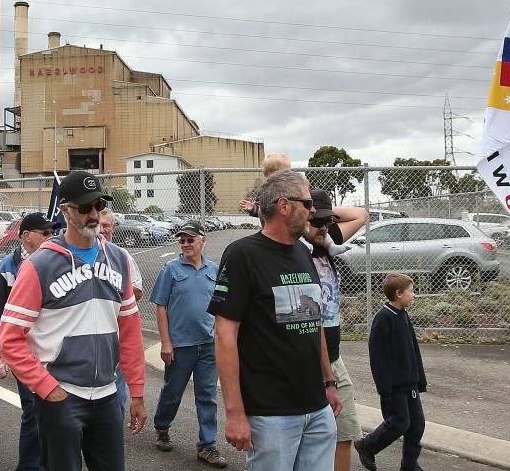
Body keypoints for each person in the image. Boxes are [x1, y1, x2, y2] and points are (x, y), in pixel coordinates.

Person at [0, 171, 147, 471]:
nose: (94, 214)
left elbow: (130, 332)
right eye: (85, 207)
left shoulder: (119, 259)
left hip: (107, 395)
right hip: (61, 395)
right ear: (65, 210)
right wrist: (45, 386)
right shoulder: (39, 265)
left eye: (99, 205)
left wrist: (137, 392)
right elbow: (8, 339)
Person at [209, 170, 342, 471]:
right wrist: (235, 413)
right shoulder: (242, 255)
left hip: (317, 408)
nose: (312, 211)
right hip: (271, 414)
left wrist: (329, 382)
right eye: (307, 203)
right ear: (284, 206)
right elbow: (225, 336)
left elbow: (315, 322)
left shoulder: (303, 253)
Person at [0, 212, 60, 471]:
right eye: (46, 233)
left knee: (55, 411)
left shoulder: (57, 262)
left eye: (53, 233)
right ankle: (29, 466)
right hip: (24, 353)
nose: (51, 237)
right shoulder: (8, 267)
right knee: (32, 409)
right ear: (26, 236)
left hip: (53, 351)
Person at [150, 220, 227, 468]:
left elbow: (220, 305)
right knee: (173, 392)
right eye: (182, 240)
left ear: (202, 241)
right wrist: (166, 342)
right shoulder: (170, 269)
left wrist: (220, 336)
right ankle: (162, 426)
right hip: (180, 345)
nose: (185, 244)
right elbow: (160, 306)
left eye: (190, 240)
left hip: (208, 344)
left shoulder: (213, 269)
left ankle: (207, 445)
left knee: (207, 396)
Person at [301, 189, 367, 470]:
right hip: (308, 361)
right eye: (317, 222)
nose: (324, 228)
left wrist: (323, 214)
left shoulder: (325, 240)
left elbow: (360, 215)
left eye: (327, 222)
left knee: (344, 431)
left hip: (334, 358)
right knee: (308, 439)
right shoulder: (295, 250)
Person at [354, 273, 428, 471]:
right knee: (399, 422)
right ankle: (366, 446)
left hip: (410, 383)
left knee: (417, 424)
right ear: (398, 294)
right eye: (411, 291)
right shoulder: (383, 318)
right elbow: (377, 357)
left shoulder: (403, 315)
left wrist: (419, 379)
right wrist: (384, 388)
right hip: (394, 386)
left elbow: (413, 349)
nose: (414, 294)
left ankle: (409, 464)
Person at [97, 209, 143, 418]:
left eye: (106, 225)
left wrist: (110, 291)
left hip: (115, 336)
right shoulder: (78, 256)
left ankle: (114, 429)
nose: (102, 230)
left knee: (117, 395)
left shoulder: (121, 256)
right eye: (98, 225)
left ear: (113, 228)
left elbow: (138, 291)